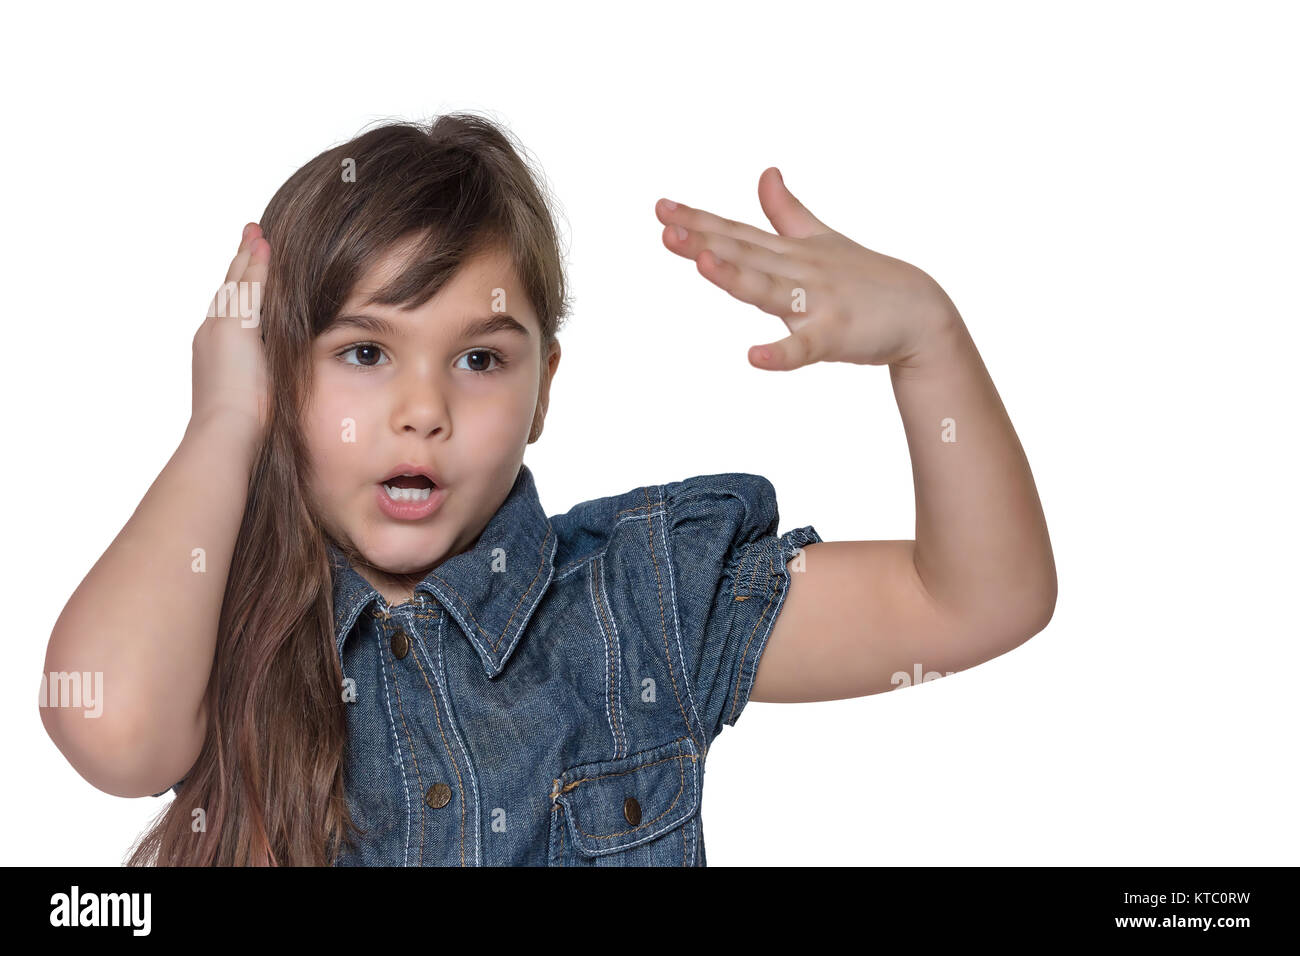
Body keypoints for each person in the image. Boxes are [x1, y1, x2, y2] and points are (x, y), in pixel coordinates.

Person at [39, 112, 1056, 866]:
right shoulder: (219, 627)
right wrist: (223, 423)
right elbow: (110, 725)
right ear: (275, 376)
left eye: (478, 360)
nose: (422, 408)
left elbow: (977, 600)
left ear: (542, 391)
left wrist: (929, 341)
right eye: (364, 351)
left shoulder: (642, 603)